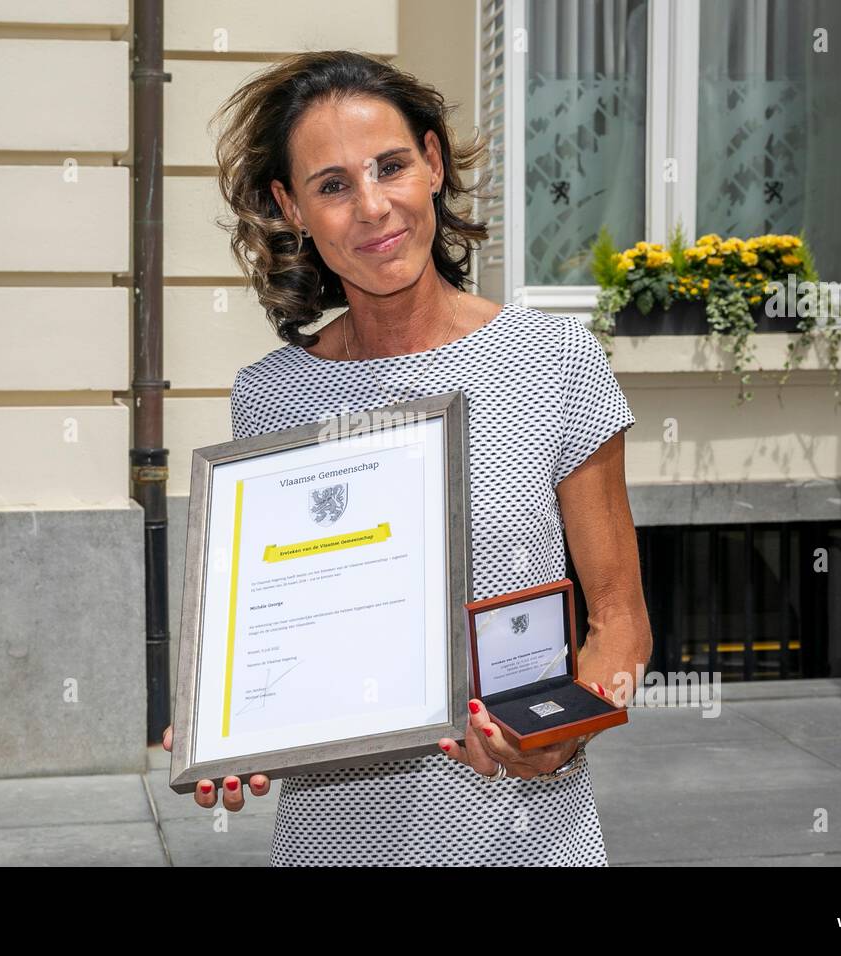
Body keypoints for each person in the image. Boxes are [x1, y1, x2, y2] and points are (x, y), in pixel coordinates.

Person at [162, 50, 652, 865]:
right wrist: (226, 720)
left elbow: (621, 621)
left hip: (525, 834)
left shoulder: (554, 360)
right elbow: (271, 618)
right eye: (332, 185)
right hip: (337, 840)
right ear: (292, 207)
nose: (373, 205)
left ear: (431, 164)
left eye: (391, 166)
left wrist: (560, 736)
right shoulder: (270, 398)